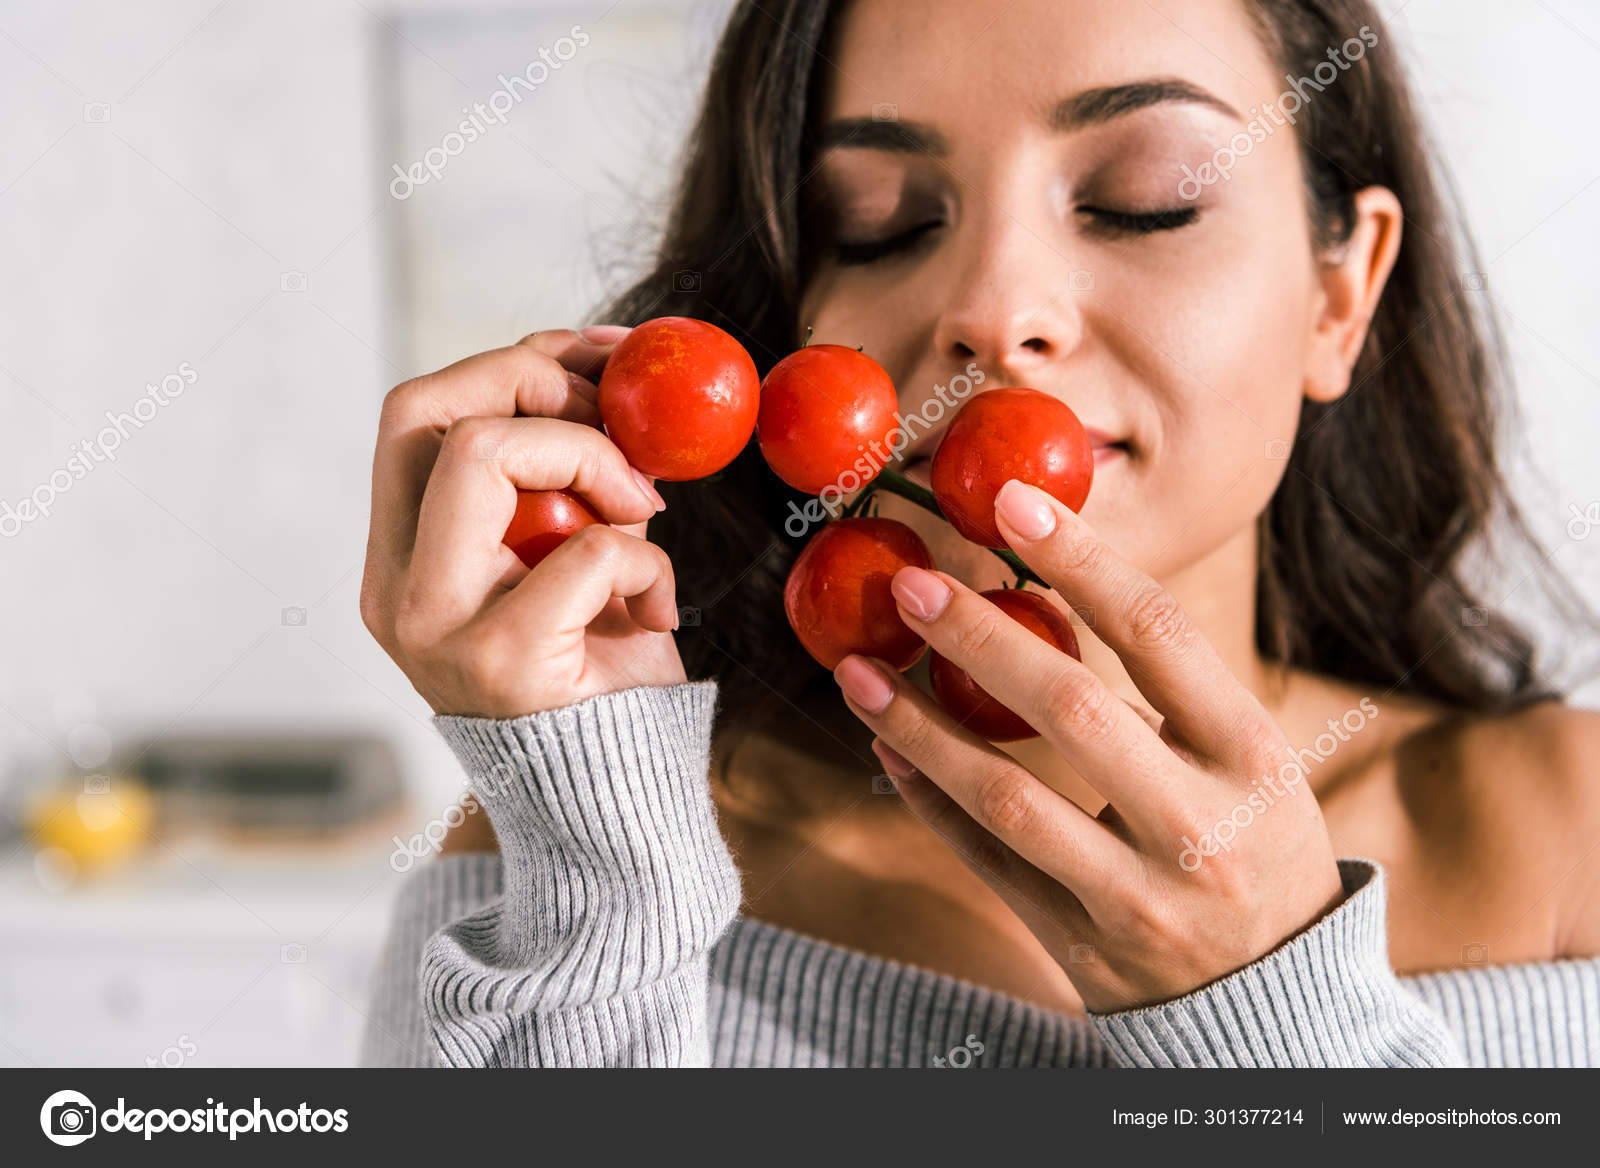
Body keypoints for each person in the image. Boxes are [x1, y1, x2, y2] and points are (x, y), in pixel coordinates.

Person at [356, 0, 1600, 1067]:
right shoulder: (587, 855)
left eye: (1142, 202)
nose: (991, 312)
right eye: (884, 221)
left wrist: (1272, 1009)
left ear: (1340, 295)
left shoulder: (1569, 838)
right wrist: (600, 861)